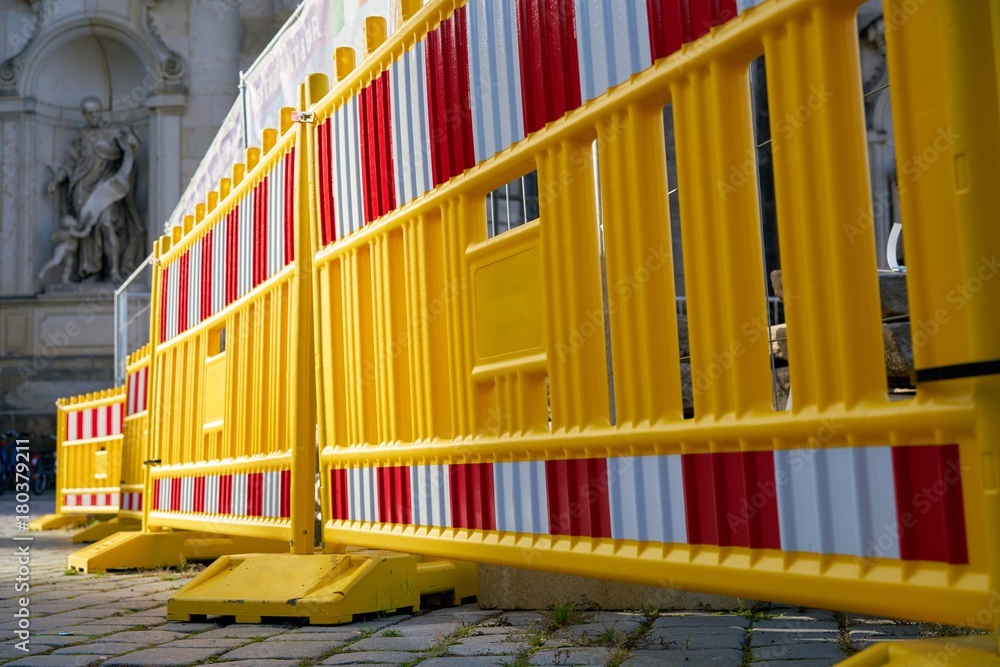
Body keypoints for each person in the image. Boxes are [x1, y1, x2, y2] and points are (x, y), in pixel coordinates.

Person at [46, 96, 145, 282]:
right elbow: (69, 164)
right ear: (84, 115)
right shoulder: (81, 138)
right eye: (88, 112)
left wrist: (130, 143)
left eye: (95, 112)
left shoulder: (112, 134)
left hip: (104, 190)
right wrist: (56, 181)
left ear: (101, 112)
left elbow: (130, 151)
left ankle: (114, 271)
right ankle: (91, 271)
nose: (93, 116)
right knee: (87, 232)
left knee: (107, 225)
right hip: (82, 189)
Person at [38, 216, 91, 283]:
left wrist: (86, 221)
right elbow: (82, 234)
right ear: (69, 224)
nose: (74, 221)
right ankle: (42, 271)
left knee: (68, 265)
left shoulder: (74, 230)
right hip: (63, 248)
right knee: (56, 261)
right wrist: (88, 227)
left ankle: (65, 281)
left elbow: (80, 227)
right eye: (72, 220)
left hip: (69, 251)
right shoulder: (71, 231)